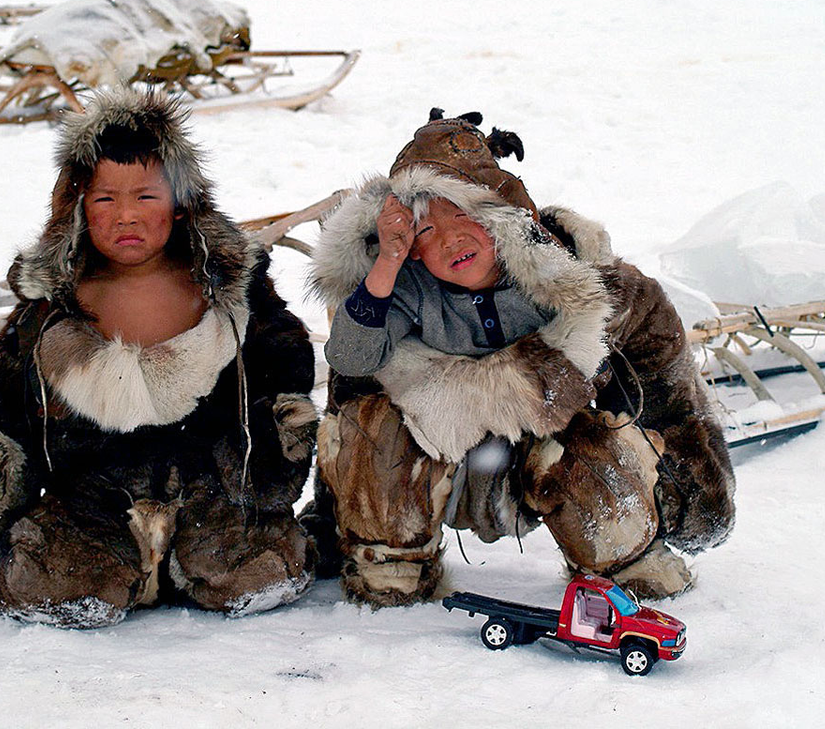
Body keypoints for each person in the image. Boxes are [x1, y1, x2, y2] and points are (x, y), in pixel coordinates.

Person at [302, 109, 736, 607]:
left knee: (599, 438)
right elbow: (351, 364)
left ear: (501, 216)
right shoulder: (403, 291)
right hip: (439, 463)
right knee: (377, 426)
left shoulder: (582, 283)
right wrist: (385, 264)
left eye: (464, 214)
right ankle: (393, 562)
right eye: (424, 231)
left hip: (547, 460)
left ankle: (622, 556)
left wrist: (694, 486)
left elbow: (666, 386)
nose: (450, 238)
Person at [0, 89, 318, 628]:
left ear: (180, 202)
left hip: (207, 485)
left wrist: (274, 439)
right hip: (92, 494)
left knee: (259, 573)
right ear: (76, 208)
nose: (126, 216)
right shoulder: (52, 306)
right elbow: (3, 399)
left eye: (146, 197)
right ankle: (106, 561)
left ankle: (190, 558)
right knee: (54, 591)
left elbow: (282, 355)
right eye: (104, 200)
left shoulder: (227, 289)